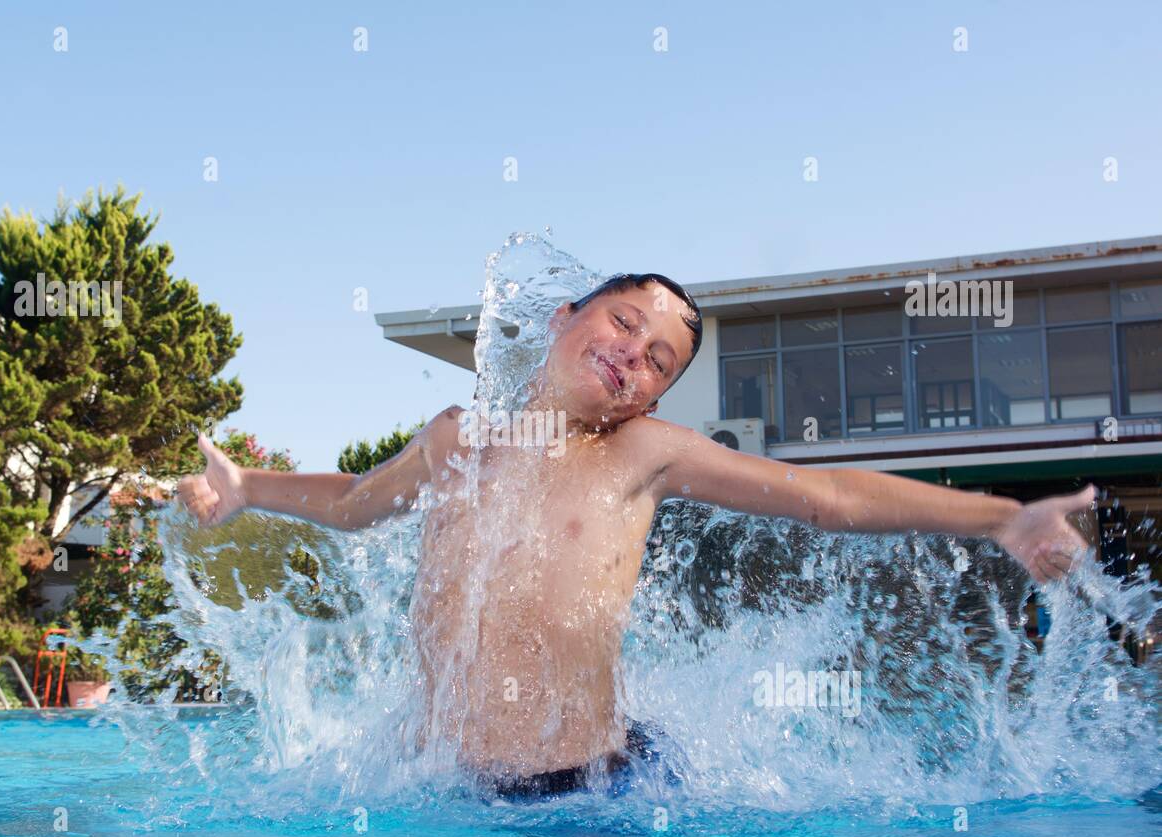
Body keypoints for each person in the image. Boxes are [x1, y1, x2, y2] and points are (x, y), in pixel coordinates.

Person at [176, 273, 1094, 797]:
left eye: (656, 359)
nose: (631, 350)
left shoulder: (642, 455)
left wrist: (1003, 517)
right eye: (623, 321)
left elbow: (825, 500)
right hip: (448, 790)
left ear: (653, 397)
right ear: (563, 319)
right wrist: (249, 485)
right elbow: (355, 502)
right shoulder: (459, 439)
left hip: (594, 790)